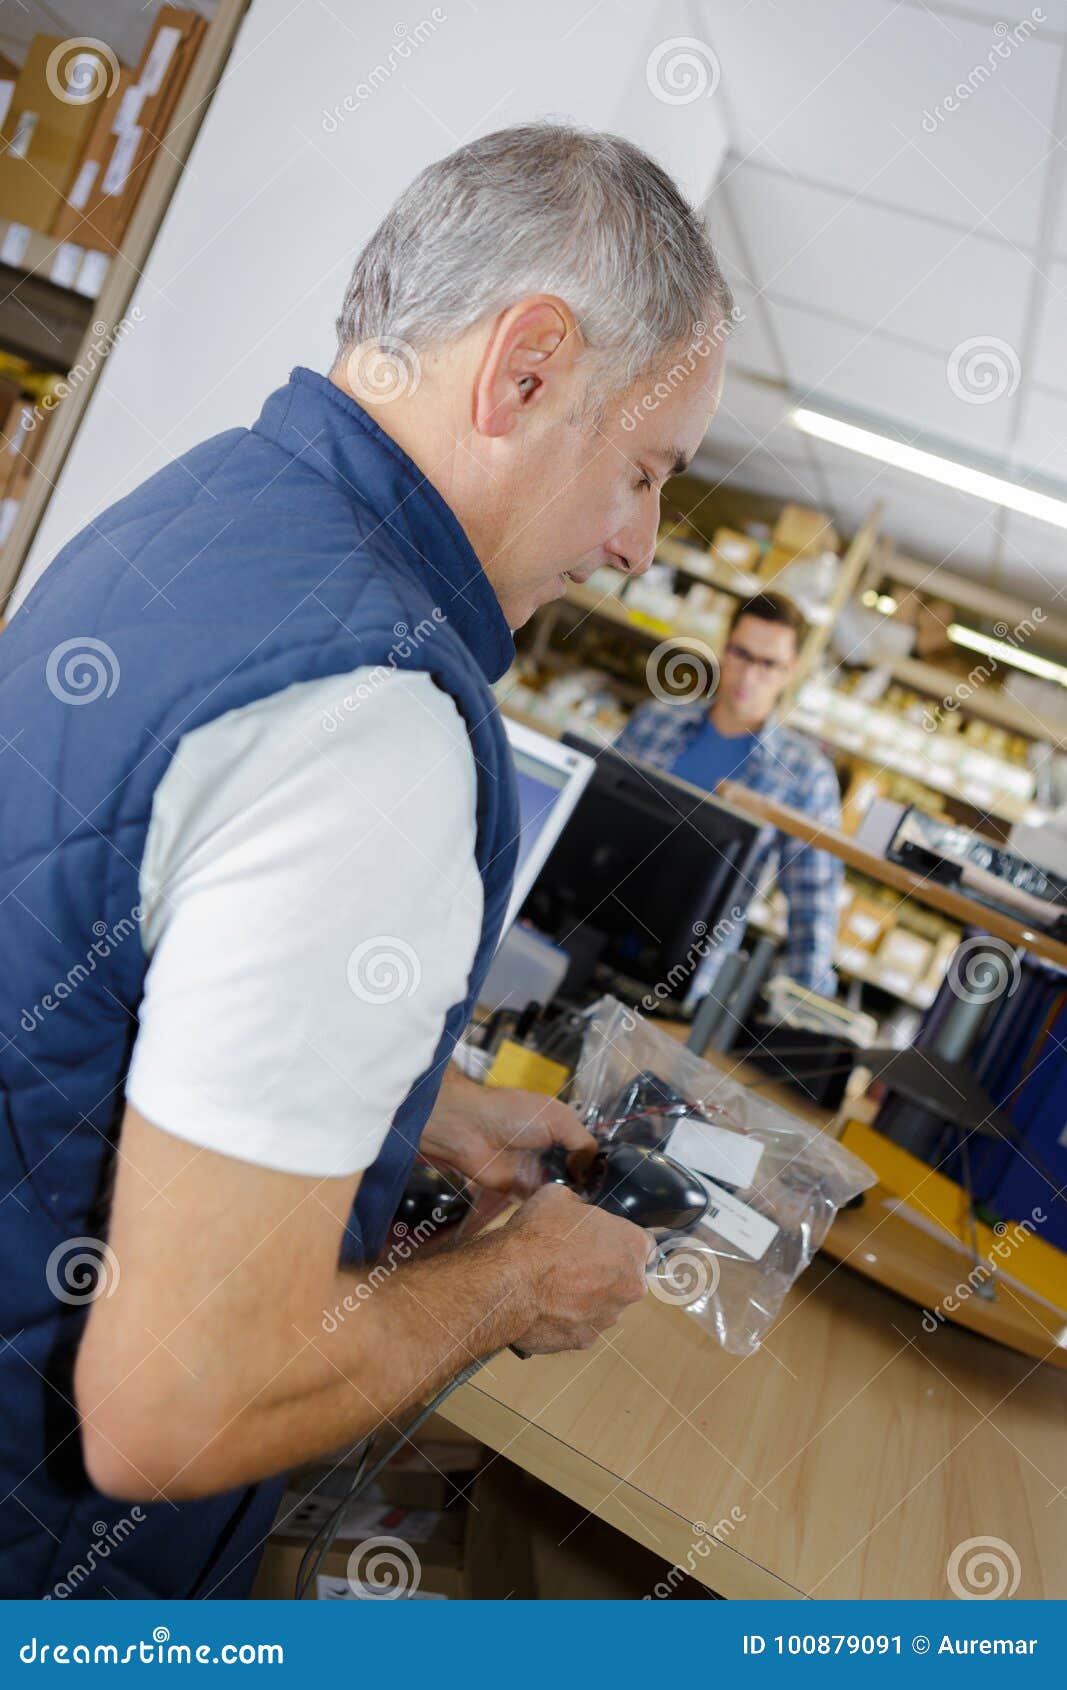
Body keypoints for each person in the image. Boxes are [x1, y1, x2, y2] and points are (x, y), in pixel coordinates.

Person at [0, 124, 733, 1598]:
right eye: (645, 469)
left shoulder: (203, 509)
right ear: (525, 369)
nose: (636, 544)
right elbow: (174, 1408)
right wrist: (515, 1279)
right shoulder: (376, 725)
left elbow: (102, 967)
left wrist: (411, 1100)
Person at [617, 591, 843, 996]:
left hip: (687, 978)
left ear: (790, 671)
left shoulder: (805, 776)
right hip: (592, 927)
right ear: (724, 648)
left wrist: (804, 1016)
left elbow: (813, 906)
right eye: (741, 654)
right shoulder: (656, 722)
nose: (749, 675)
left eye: (768, 664)